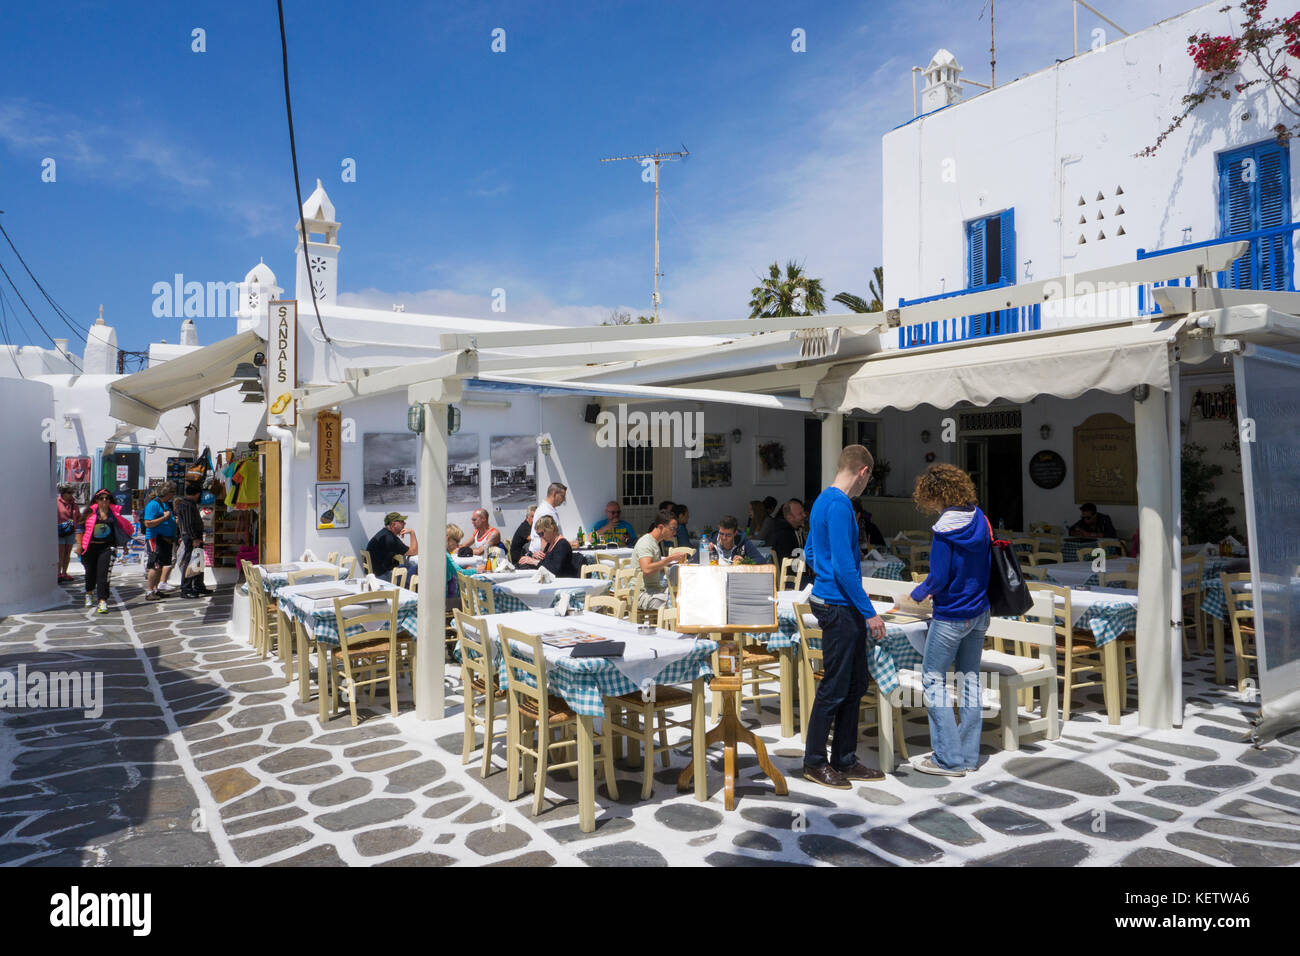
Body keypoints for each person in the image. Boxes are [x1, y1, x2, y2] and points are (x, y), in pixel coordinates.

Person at [801, 445, 887, 788]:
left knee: (854, 683)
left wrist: (823, 575)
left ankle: (845, 759)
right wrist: (870, 613)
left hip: (833, 601)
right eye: (869, 477)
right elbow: (844, 567)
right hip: (840, 606)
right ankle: (814, 761)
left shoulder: (823, 500)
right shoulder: (839, 506)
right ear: (863, 472)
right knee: (836, 686)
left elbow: (810, 551)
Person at [908, 464, 992, 777]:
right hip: (979, 611)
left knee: (933, 679)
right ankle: (968, 755)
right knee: (969, 680)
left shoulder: (944, 528)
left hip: (952, 615)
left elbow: (939, 577)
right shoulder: (980, 518)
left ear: (934, 495)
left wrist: (919, 592)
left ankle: (948, 758)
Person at [76, 488, 134, 614]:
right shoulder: (89, 512)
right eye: (101, 498)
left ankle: (102, 601)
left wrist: (124, 545)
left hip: (107, 547)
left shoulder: (114, 514)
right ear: (96, 499)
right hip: (90, 547)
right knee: (90, 573)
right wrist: (79, 545)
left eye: (107, 498)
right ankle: (89, 592)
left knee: (103, 575)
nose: (104, 500)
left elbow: (120, 530)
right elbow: (80, 529)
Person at [633, 516, 690, 612]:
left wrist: (673, 564)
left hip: (653, 591)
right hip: (641, 594)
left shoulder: (654, 543)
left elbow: (657, 568)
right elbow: (646, 569)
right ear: (660, 527)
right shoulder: (646, 542)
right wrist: (669, 559)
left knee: (684, 594)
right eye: (672, 529)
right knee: (679, 600)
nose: (675, 533)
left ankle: (671, 626)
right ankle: (672, 626)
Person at [141, 482, 178, 601]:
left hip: (165, 539)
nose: (173, 495)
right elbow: (148, 523)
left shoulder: (165, 504)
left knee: (161, 565)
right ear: (167, 493)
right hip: (155, 538)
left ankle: (156, 590)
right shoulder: (153, 505)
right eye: (172, 492)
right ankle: (150, 591)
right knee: (155, 565)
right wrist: (165, 518)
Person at [174, 482, 210, 599]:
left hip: (193, 537)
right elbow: (189, 524)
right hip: (191, 538)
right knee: (190, 562)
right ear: (197, 494)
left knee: (197, 561)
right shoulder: (187, 505)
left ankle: (198, 586)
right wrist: (194, 538)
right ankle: (186, 589)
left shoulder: (187, 504)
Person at [517, 515, 583, 577]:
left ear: (551, 529)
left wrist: (535, 562)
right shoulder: (550, 544)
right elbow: (547, 563)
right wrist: (535, 557)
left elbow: (554, 569)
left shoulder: (562, 545)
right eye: (538, 534)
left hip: (562, 582)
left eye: (541, 533)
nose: (540, 537)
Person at [365, 511, 420, 581]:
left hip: (375, 573)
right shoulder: (390, 539)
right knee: (416, 568)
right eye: (402, 521)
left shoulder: (384, 533)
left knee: (405, 566)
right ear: (394, 524)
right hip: (382, 576)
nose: (404, 523)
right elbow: (414, 551)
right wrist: (412, 533)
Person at [770, 498, 814, 584]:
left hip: (797, 576)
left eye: (803, 512)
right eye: (800, 514)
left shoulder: (795, 530)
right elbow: (791, 564)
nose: (804, 515)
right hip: (791, 580)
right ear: (790, 518)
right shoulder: (784, 535)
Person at [528, 482, 567, 554]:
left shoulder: (547, 509)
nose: (564, 499)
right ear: (554, 494)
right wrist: (567, 545)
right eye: (562, 496)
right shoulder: (545, 512)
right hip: (542, 554)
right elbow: (547, 539)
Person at [56, 484, 78, 583]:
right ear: (63, 493)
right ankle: (58, 573)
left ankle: (65, 572)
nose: (71, 495)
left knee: (67, 553)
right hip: (59, 531)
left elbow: (78, 516)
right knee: (60, 553)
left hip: (70, 531)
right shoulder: (56, 503)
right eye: (69, 493)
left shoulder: (74, 504)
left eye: (72, 492)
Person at [445, 523, 464, 610]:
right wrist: (477, 570)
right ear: (448, 538)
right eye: (457, 541)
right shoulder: (445, 554)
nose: (458, 545)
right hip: (444, 601)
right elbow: (459, 573)